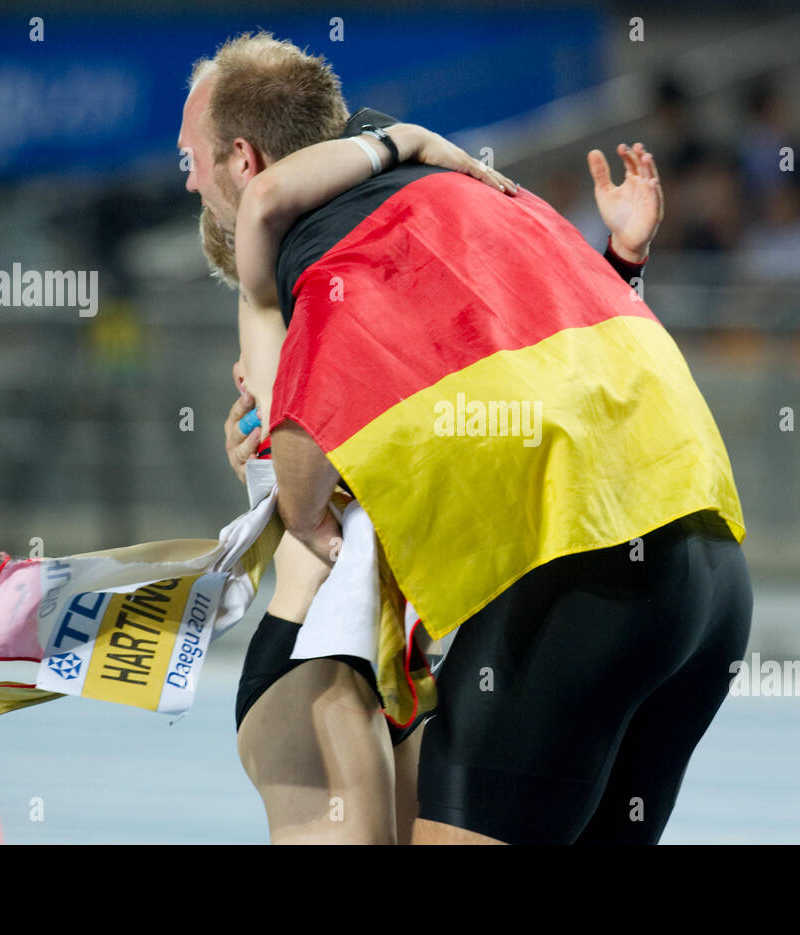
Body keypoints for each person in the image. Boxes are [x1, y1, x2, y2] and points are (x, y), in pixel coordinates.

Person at [196, 30, 750, 845]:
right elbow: (568, 356)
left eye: (190, 164)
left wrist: (291, 472)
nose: (187, 181)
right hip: (709, 574)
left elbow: (272, 229)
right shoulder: (475, 199)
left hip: (578, 575)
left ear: (243, 161)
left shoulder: (317, 251)